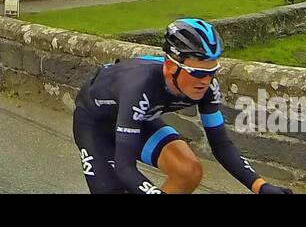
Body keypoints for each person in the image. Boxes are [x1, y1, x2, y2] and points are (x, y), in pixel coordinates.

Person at [73, 18, 292, 195]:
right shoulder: (139, 87)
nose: (204, 81)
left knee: (188, 171)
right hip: (95, 124)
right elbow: (124, 166)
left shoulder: (207, 88)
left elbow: (221, 145)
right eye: (197, 73)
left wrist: (260, 186)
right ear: (170, 67)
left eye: (211, 72)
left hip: (137, 120)